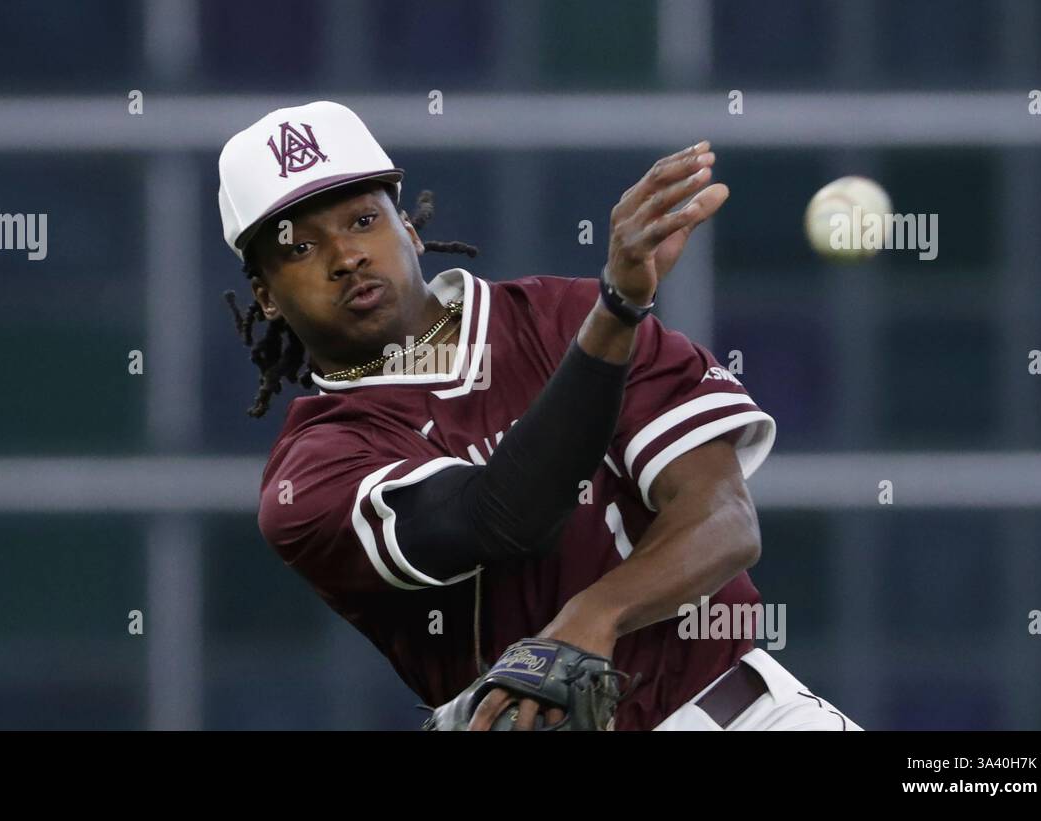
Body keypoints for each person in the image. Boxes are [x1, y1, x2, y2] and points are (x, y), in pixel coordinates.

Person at [219, 100, 859, 730]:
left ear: (409, 230)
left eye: (363, 221)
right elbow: (500, 515)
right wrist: (616, 313)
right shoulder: (312, 474)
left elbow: (725, 518)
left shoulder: (563, 317)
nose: (345, 257)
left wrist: (597, 616)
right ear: (266, 295)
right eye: (301, 248)